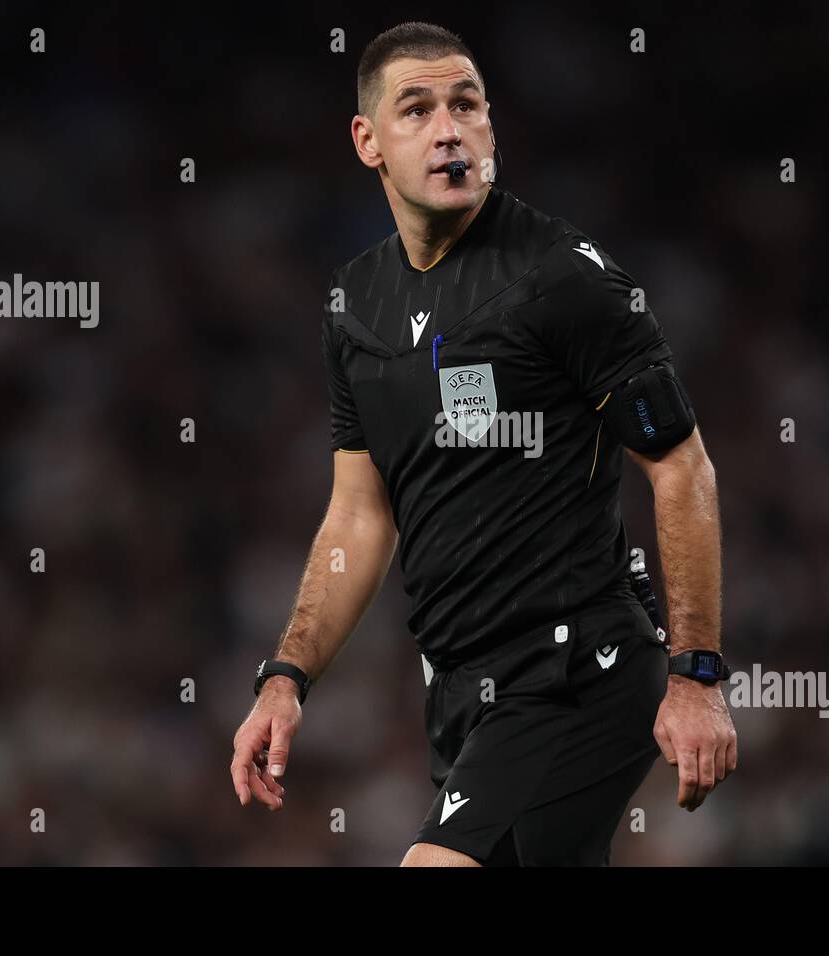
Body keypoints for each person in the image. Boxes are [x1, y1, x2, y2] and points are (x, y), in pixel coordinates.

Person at [230, 21, 736, 866]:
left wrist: (697, 676)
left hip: (578, 669)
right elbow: (359, 515)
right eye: (418, 109)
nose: (449, 128)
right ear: (368, 141)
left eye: (467, 104)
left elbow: (682, 467)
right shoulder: (355, 305)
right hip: (463, 694)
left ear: (492, 128)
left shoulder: (562, 277)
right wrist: (285, 677)